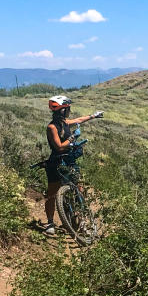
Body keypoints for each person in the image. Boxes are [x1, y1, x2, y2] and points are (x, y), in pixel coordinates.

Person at [41, 95, 102, 235]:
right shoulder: (52, 127)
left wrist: (93, 116)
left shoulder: (65, 123)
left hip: (69, 160)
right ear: (62, 111)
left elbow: (79, 120)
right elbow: (60, 147)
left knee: (78, 189)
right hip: (56, 161)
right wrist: (72, 138)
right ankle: (50, 223)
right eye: (67, 109)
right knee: (52, 193)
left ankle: (81, 220)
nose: (69, 111)